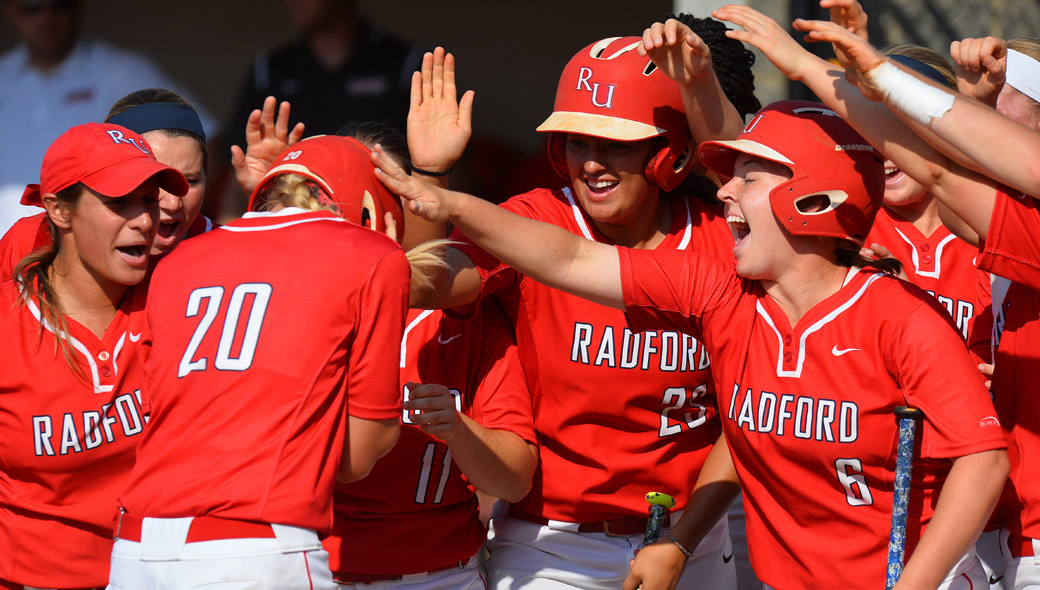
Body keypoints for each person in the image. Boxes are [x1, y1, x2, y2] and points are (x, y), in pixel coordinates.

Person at [371, 94, 1011, 590]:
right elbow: (567, 258)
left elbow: (984, 460)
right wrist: (448, 200)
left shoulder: (894, 313)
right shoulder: (722, 291)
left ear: (815, 200)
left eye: (751, 178)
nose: (725, 190)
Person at [406, 19, 759, 590]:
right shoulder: (536, 216)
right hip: (554, 547)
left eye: (615, 142)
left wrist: (681, 540)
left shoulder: (725, 238)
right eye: (577, 140)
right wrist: (430, 172)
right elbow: (428, 284)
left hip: (692, 537)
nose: (591, 163)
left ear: (668, 151)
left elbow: (748, 411)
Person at [754, 11, 1040, 589]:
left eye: (1010, 123)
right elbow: (954, 168)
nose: (987, 138)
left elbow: (941, 173)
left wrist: (823, 69)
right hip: (1000, 531)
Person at [106, 135, 408, 590]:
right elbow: (356, 458)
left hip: (136, 547)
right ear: (368, 207)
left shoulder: (177, 259)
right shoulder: (374, 254)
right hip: (255, 546)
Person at [0, 122, 188, 589]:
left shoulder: (183, 304)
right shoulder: (7, 325)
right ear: (59, 209)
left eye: (148, 200)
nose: (145, 220)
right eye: (119, 201)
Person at [0, 0, 214, 233]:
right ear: (9, 9)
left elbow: (206, 139)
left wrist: (188, 223)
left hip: (98, 242)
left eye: (60, 6)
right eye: (32, 8)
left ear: (78, 7)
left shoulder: (123, 71)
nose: (46, 18)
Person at [219, 0, 422, 218]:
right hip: (294, 222)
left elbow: (445, 169)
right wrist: (266, 185)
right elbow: (240, 175)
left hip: (380, 224)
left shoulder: (405, 64)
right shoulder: (270, 70)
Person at [862, 46, 991, 341]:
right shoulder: (852, 227)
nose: (885, 149)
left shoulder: (987, 225)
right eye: (869, 131)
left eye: (902, 129)